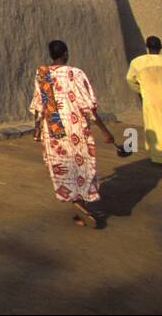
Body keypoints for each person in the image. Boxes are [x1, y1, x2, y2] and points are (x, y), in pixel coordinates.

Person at [30, 39, 118, 228]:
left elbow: (39, 105)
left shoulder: (41, 74)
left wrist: (37, 129)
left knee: (64, 166)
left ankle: (77, 204)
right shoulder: (75, 73)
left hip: (52, 129)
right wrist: (105, 131)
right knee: (83, 163)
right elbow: (88, 106)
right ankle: (81, 204)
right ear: (66, 53)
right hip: (75, 127)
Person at [126, 35, 162, 169]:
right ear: (160, 47)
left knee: (158, 127)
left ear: (147, 47)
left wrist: (142, 90)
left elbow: (130, 80)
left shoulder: (137, 62)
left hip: (152, 100)